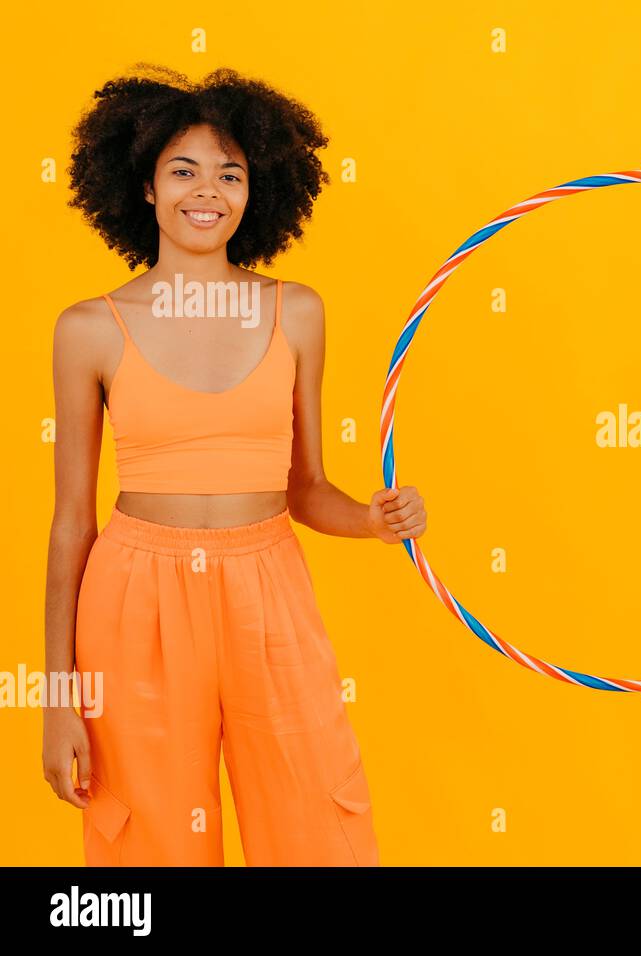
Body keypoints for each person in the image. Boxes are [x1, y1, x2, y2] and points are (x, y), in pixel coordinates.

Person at [42, 65, 424, 866]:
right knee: (147, 843)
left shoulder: (297, 312)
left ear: (257, 193)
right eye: (182, 170)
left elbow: (307, 487)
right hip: (133, 601)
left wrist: (370, 519)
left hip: (268, 587)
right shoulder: (89, 330)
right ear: (145, 186)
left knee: (317, 819)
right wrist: (58, 697)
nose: (204, 190)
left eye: (230, 173)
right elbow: (72, 522)